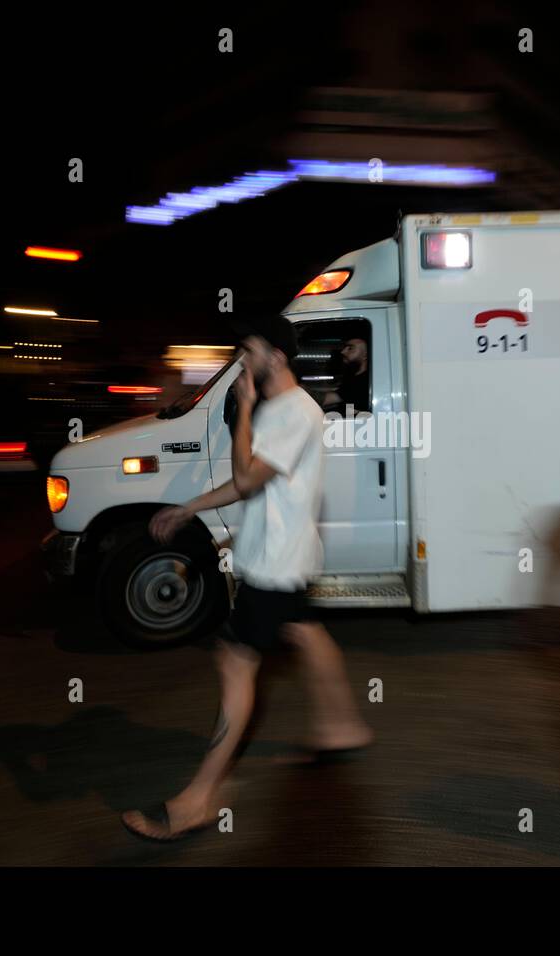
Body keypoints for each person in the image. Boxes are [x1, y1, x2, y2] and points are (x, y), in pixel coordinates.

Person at [122, 316, 373, 841]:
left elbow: (244, 476)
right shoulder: (287, 410)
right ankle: (341, 725)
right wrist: (188, 508)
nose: (241, 362)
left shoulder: (290, 412)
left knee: (235, 664)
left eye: (248, 351)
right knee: (305, 631)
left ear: (275, 357)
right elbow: (250, 489)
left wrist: (244, 411)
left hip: (275, 565)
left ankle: (198, 800)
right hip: (288, 556)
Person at [322, 337, 370, 414]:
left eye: (350, 348)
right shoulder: (353, 380)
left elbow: (352, 414)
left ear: (365, 355)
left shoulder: (365, 382)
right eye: (345, 348)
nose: (343, 352)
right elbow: (333, 398)